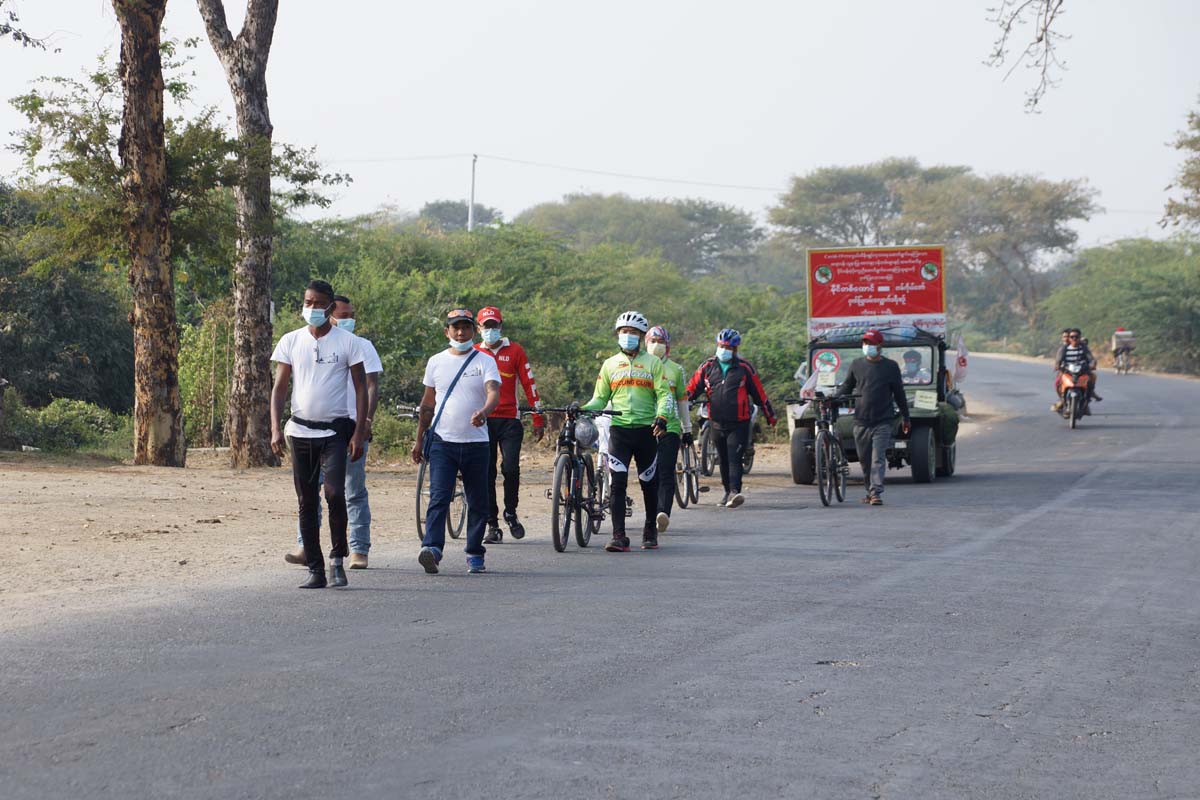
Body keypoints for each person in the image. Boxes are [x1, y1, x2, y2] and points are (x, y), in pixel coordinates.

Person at [270, 280, 368, 589]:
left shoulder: (347, 342)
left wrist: (359, 432)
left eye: (318, 304)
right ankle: (316, 567)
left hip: (336, 432)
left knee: (335, 494)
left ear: (330, 308)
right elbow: (280, 388)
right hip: (300, 431)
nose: (311, 309)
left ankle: (338, 558)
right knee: (306, 501)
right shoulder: (291, 340)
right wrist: (275, 427)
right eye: (307, 302)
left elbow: (362, 389)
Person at [285, 295, 382, 569]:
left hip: (349, 428)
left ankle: (358, 548)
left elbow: (371, 385)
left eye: (352, 314)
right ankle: (306, 545)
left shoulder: (361, 345)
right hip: (312, 430)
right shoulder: (308, 342)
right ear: (330, 313)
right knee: (309, 491)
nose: (349, 319)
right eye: (344, 314)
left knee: (351, 490)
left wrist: (365, 422)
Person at [412, 308, 501, 575]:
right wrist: (419, 440)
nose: (461, 332)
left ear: (473, 331)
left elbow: (493, 391)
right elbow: (427, 404)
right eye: (455, 327)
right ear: (446, 331)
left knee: (478, 500)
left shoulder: (484, 361)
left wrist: (484, 412)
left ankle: (475, 553)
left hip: (476, 443)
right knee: (439, 496)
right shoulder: (436, 361)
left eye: (465, 327)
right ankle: (432, 549)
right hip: (442, 441)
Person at [581, 311, 673, 552]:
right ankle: (619, 535)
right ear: (617, 335)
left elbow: (665, 394)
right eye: (624, 332)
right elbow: (599, 399)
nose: (628, 336)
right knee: (617, 484)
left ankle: (650, 528)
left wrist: (662, 418)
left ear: (642, 337)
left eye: (633, 333)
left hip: (646, 431)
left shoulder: (653, 363)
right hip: (619, 432)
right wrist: (581, 409)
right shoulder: (610, 364)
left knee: (648, 484)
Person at [474, 306, 545, 544]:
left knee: (510, 468)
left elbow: (529, 383)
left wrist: (537, 415)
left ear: (500, 327)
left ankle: (511, 513)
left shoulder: (515, 350)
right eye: (486, 326)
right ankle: (492, 524)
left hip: (510, 420)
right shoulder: (474, 352)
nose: (490, 330)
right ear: (478, 328)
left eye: (494, 326)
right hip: (483, 420)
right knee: (486, 472)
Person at [686, 328, 776, 509]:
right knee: (723, 458)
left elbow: (759, 393)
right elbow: (692, 389)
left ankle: (735, 491)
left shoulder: (745, 368)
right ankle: (727, 491)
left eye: (727, 347)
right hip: (716, 422)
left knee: (734, 456)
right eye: (721, 345)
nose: (723, 349)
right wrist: (685, 403)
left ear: (735, 349)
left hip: (739, 422)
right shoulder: (707, 366)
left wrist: (770, 416)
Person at [835, 329, 910, 506]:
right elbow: (846, 387)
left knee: (878, 458)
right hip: (860, 421)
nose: (868, 346)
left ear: (879, 346)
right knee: (865, 460)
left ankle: (876, 492)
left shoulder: (891, 367)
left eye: (871, 343)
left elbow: (899, 394)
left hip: (883, 421)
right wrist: (833, 400)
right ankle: (869, 491)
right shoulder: (856, 365)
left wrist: (906, 417)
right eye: (865, 343)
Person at [645, 325, 691, 531]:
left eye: (661, 342)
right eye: (652, 341)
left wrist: (687, 428)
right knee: (649, 474)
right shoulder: (639, 367)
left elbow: (682, 400)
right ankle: (651, 513)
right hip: (644, 425)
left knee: (665, 471)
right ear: (645, 344)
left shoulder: (676, 370)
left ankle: (662, 513)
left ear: (668, 346)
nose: (656, 346)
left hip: (669, 427)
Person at [1053, 328, 1100, 411]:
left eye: (1076, 337)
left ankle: (1087, 400)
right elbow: (1058, 360)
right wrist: (1058, 365)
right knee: (1058, 383)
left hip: (1082, 371)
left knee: (1091, 380)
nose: (1074, 339)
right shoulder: (1064, 349)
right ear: (1069, 338)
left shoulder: (1083, 348)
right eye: (1072, 337)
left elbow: (1090, 358)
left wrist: (1092, 364)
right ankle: (1062, 400)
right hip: (1067, 371)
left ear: (1079, 337)